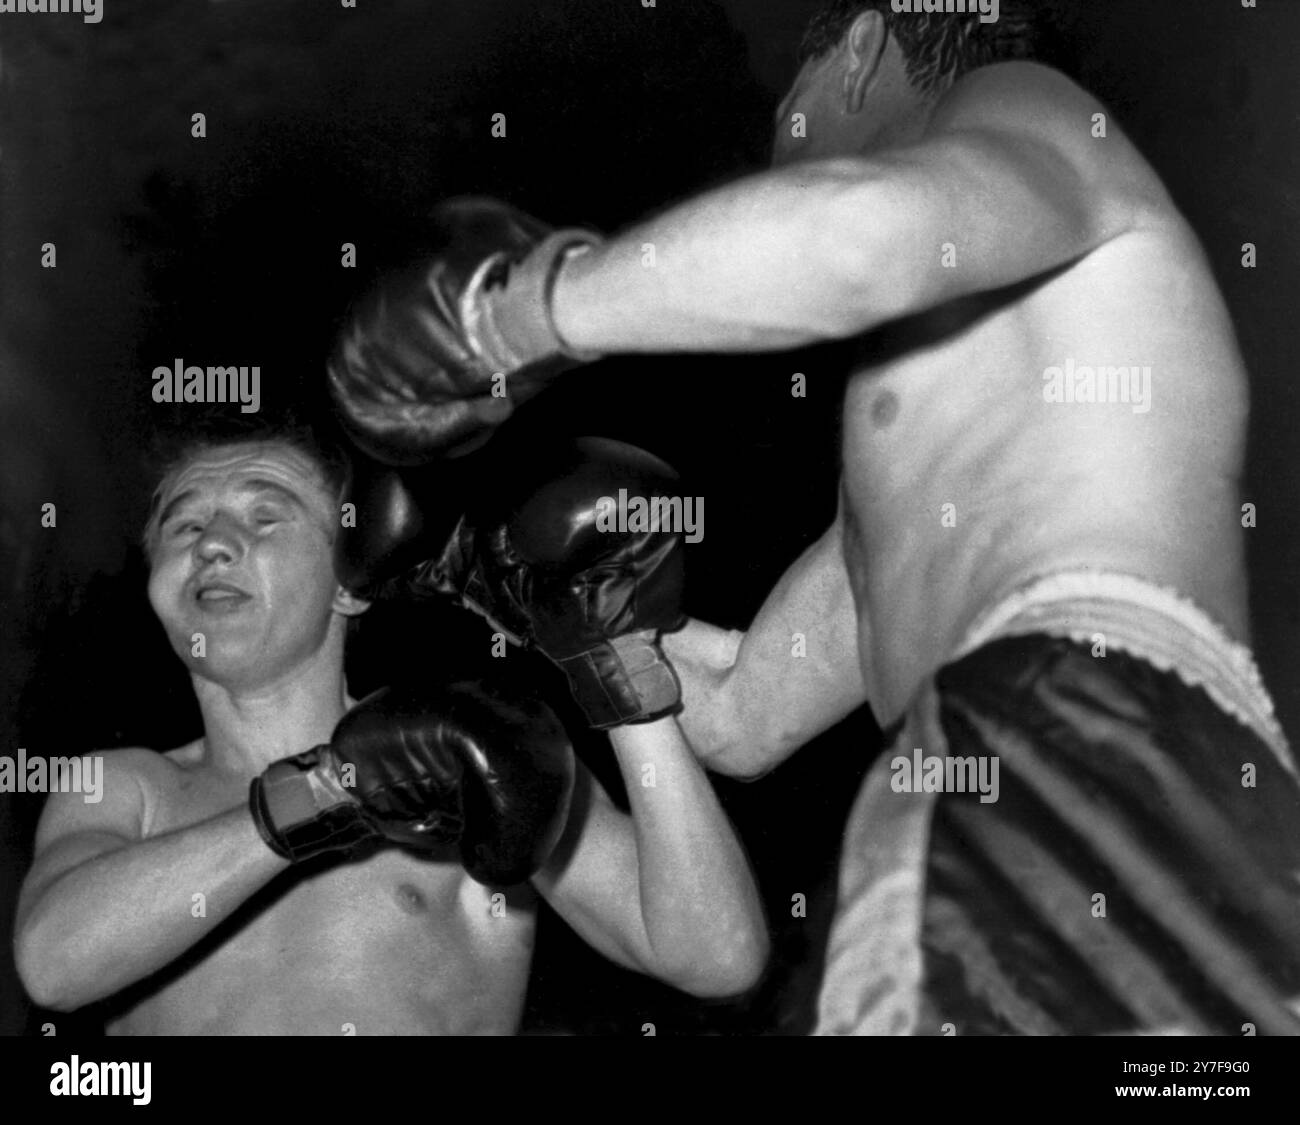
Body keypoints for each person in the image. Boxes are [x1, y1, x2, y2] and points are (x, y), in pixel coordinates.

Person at [326, 1, 1300, 1034]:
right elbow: (747, 715)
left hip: (1072, 726)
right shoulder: (950, 416)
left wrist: (513, 312)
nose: (776, 138)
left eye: (791, 100)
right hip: (1105, 767)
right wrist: (541, 605)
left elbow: (853, 236)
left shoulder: (1021, 103)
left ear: (862, 51)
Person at [13, 420, 767, 1034]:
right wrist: (329, 792)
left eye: (264, 513)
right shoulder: (126, 787)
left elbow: (716, 954)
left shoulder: (474, 753)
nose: (212, 542)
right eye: (183, 524)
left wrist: (610, 657)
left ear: (351, 584)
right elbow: (53, 963)